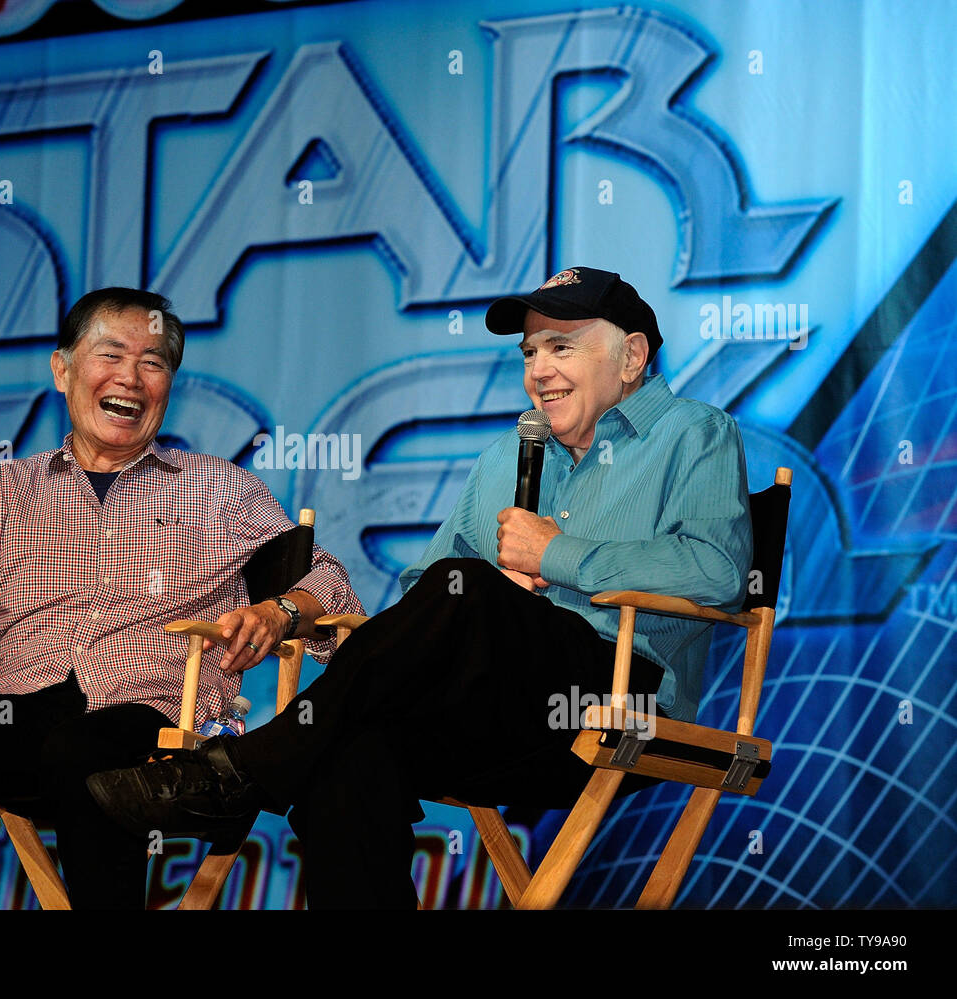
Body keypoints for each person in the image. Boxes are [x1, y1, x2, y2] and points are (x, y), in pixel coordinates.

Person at [87, 267, 754, 908]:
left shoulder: (694, 434)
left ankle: (242, 768)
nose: (538, 371)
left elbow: (719, 572)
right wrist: (485, 591)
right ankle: (259, 767)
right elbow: (425, 591)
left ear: (632, 355)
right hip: (499, 711)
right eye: (529, 353)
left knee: (464, 590)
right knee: (348, 754)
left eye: (561, 348)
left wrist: (559, 555)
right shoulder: (506, 455)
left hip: (619, 694)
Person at [0, 287, 363, 909]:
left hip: (157, 718)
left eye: (153, 363)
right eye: (112, 354)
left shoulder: (217, 487)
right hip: (25, 712)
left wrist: (276, 611)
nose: (131, 377)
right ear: (62, 368)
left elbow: (328, 586)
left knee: (85, 752)